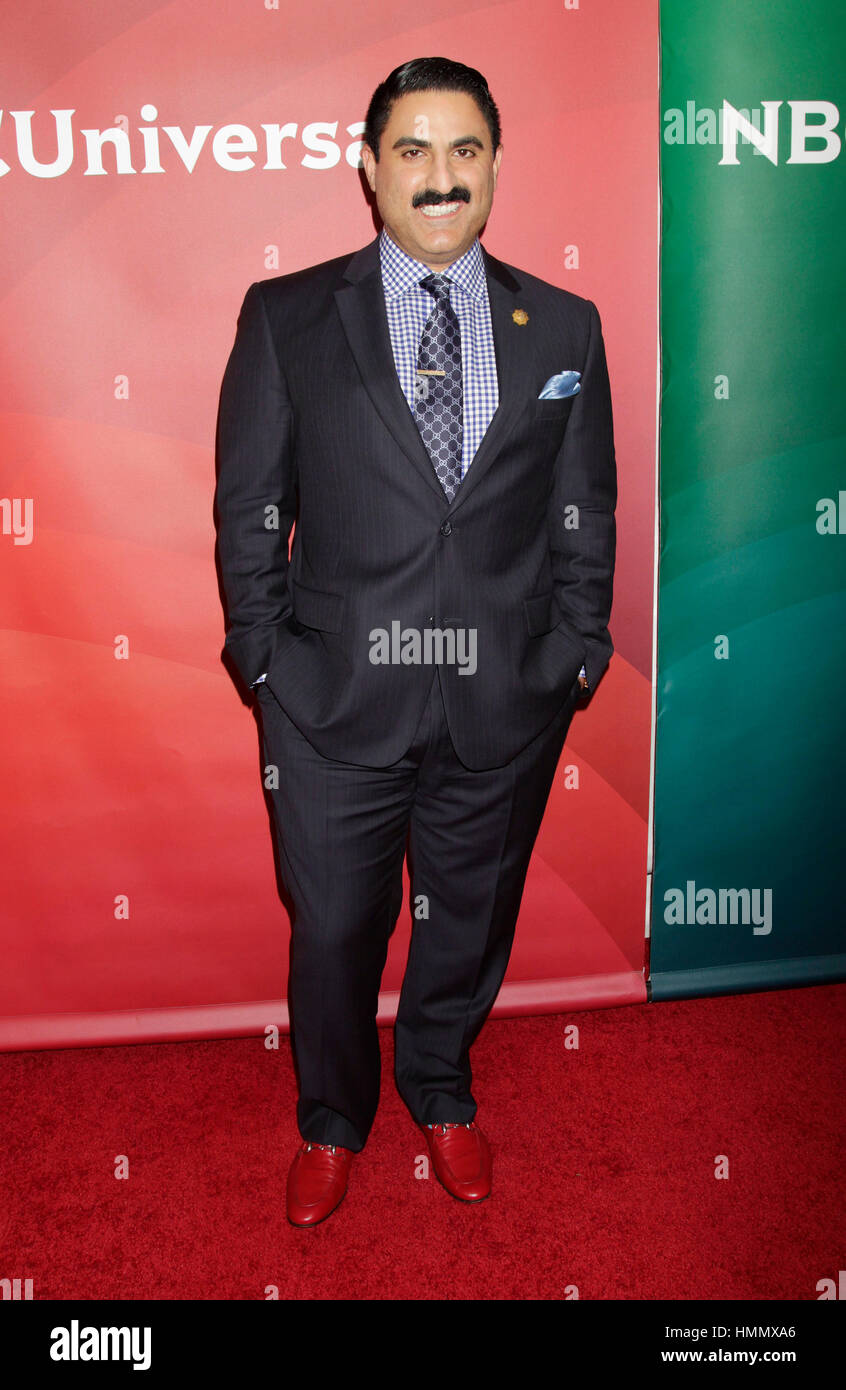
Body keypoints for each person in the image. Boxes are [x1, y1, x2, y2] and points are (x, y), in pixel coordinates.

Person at [214, 56, 616, 1227]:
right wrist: (265, 663)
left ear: (493, 164)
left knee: (469, 919)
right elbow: (251, 509)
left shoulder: (565, 325)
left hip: (504, 704)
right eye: (413, 150)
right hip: (332, 705)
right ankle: (333, 1117)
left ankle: (440, 1086)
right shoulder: (288, 316)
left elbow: (582, 505)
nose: (440, 177)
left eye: (465, 150)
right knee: (335, 927)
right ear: (369, 170)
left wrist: (575, 652)